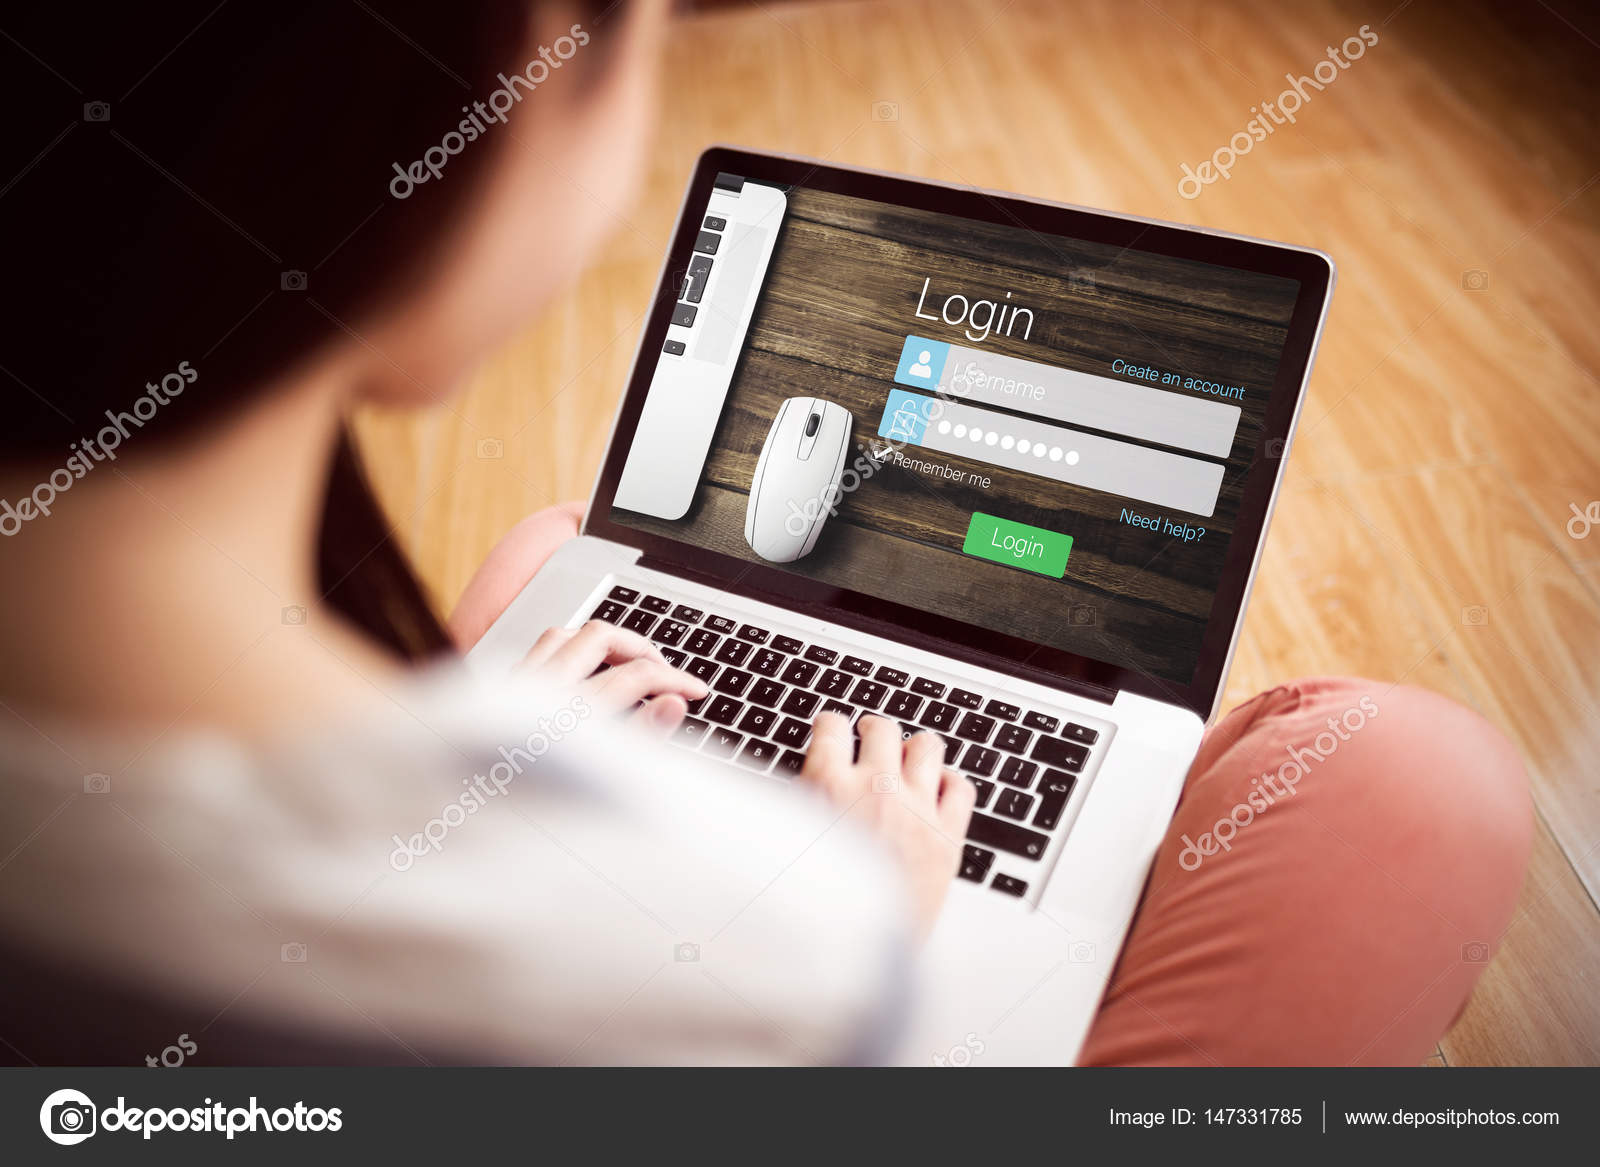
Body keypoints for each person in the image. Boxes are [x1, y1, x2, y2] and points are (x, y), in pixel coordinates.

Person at [0, 1, 1529, 1066]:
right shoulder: (780, 948)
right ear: (498, 84)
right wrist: (864, 922)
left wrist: (456, 755)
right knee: (1411, 776)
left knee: (566, 554)